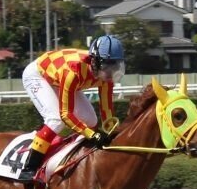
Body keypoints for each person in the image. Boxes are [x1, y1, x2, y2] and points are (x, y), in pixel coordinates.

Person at [19, 34, 125, 180]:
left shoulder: (106, 77)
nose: (110, 72)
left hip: (60, 78)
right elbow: (65, 114)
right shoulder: (73, 71)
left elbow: (106, 110)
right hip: (39, 75)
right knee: (56, 119)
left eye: (116, 66)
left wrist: (112, 134)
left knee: (91, 120)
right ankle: (29, 166)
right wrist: (92, 135)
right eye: (108, 66)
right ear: (94, 62)